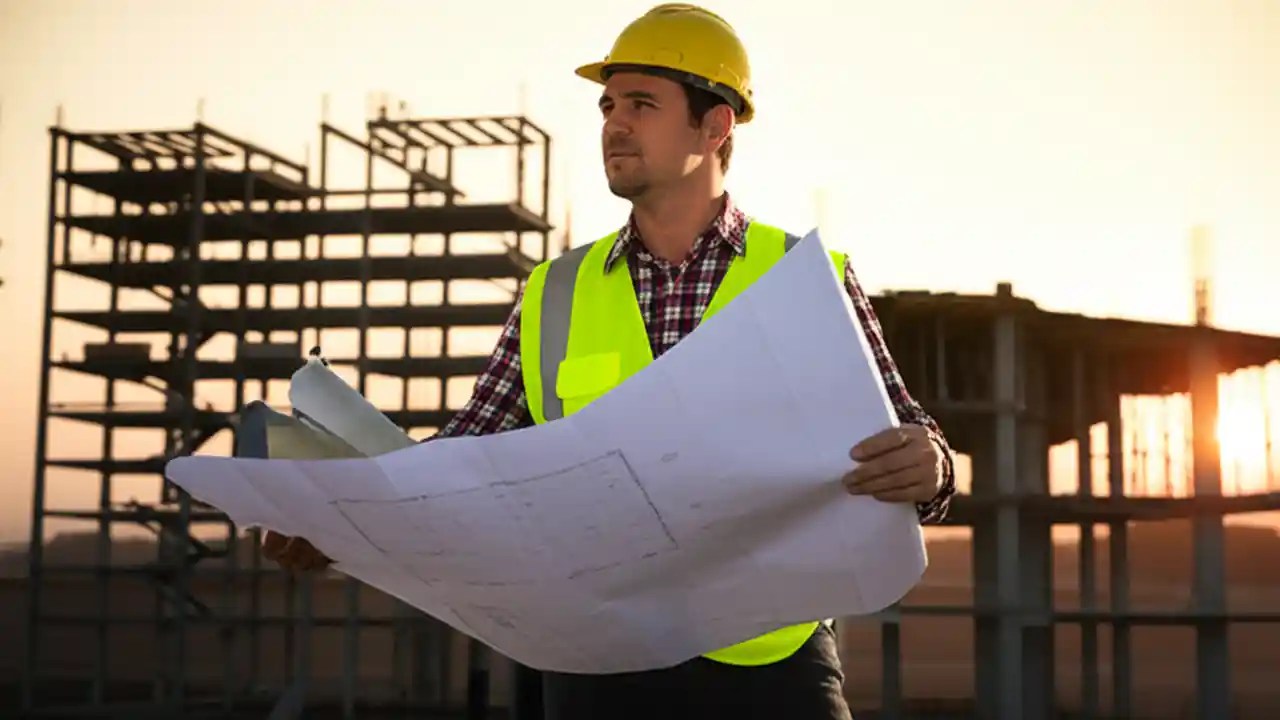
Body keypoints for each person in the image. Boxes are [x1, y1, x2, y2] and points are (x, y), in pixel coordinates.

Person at [263, 4, 956, 718]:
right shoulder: (553, 293)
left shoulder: (802, 276)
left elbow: (908, 432)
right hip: (600, 657)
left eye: (642, 104)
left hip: (768, 658)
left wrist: (930, 462)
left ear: (715, 126)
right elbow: (460, 460)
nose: (613, 124)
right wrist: (340, 522)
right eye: (608, 104)